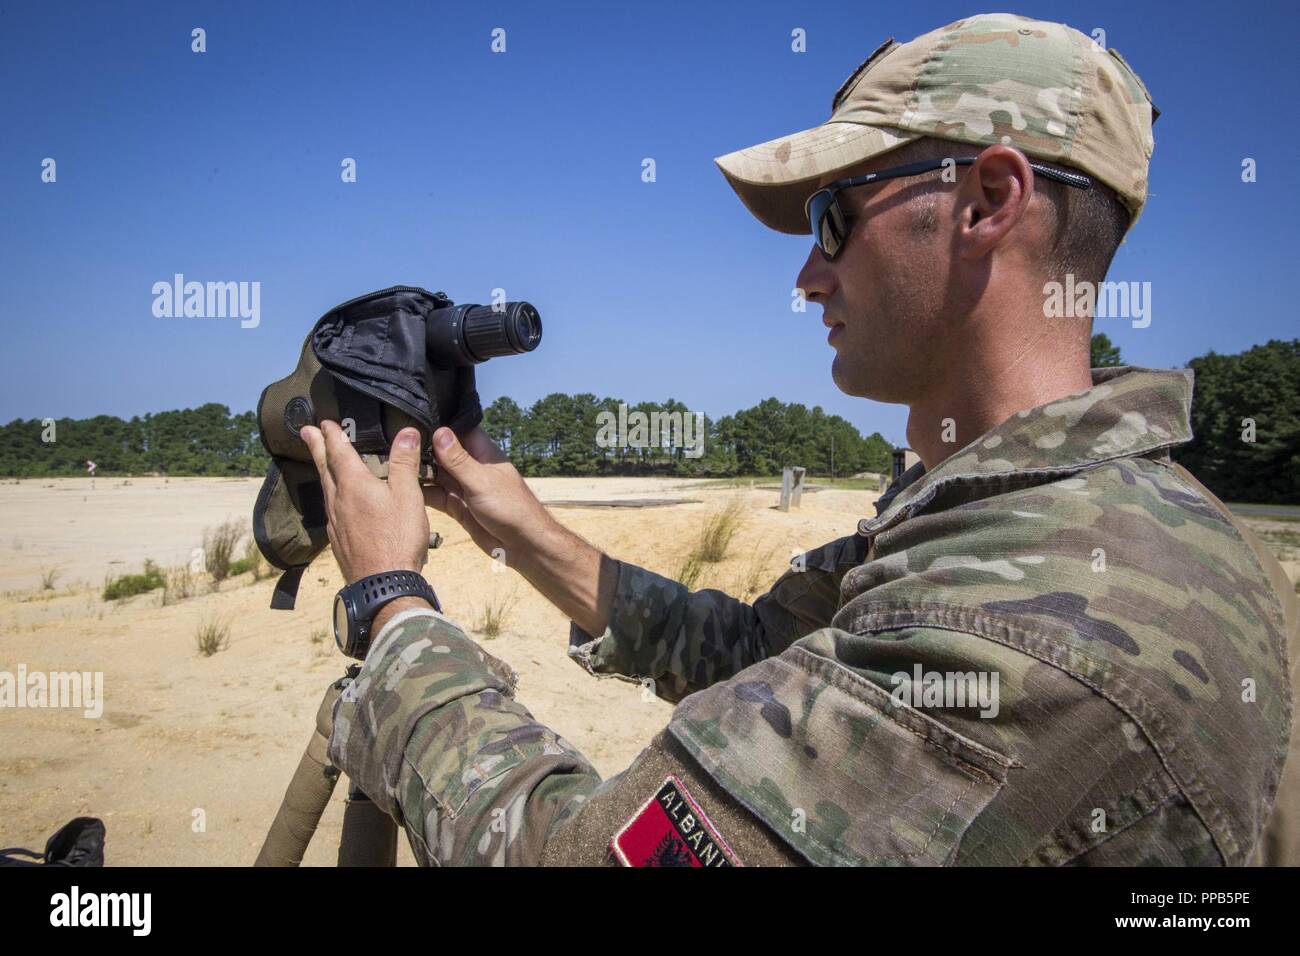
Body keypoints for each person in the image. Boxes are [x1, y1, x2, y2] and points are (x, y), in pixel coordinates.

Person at [303, 13, 1297, 866]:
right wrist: (515, 521)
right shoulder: (1073, 517)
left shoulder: (1026, 626)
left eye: (833, 218)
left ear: (986, 203)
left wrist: (394, 611)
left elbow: (572, 851)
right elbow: (749, 649)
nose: (807, 279)